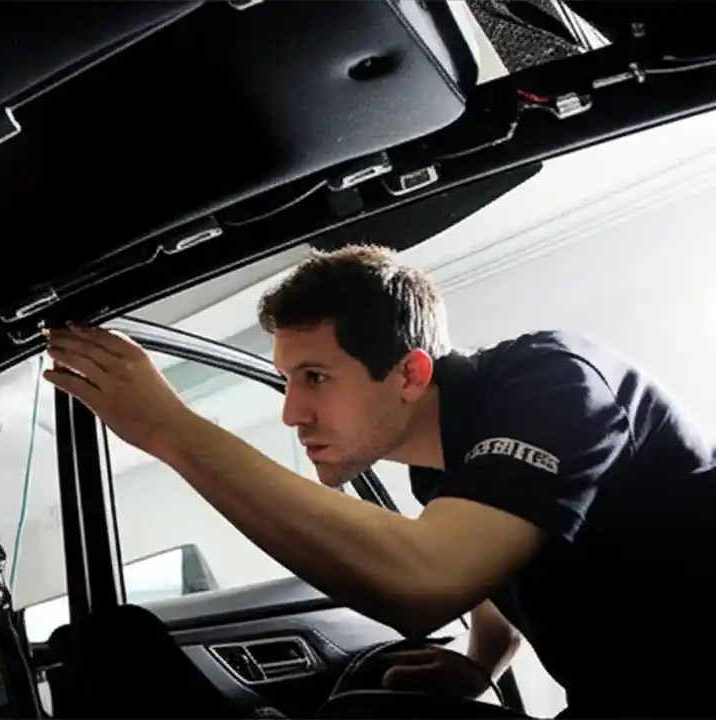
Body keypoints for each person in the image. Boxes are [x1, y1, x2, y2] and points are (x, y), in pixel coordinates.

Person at [42, 244, 716, 718]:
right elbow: (494, 571)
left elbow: (430, 580)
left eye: (315, 378)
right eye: (286, 381)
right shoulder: (443, 470)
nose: (290, 412)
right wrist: (482, 663)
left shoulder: (554, 380)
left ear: (411, 374)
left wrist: (171, 430)